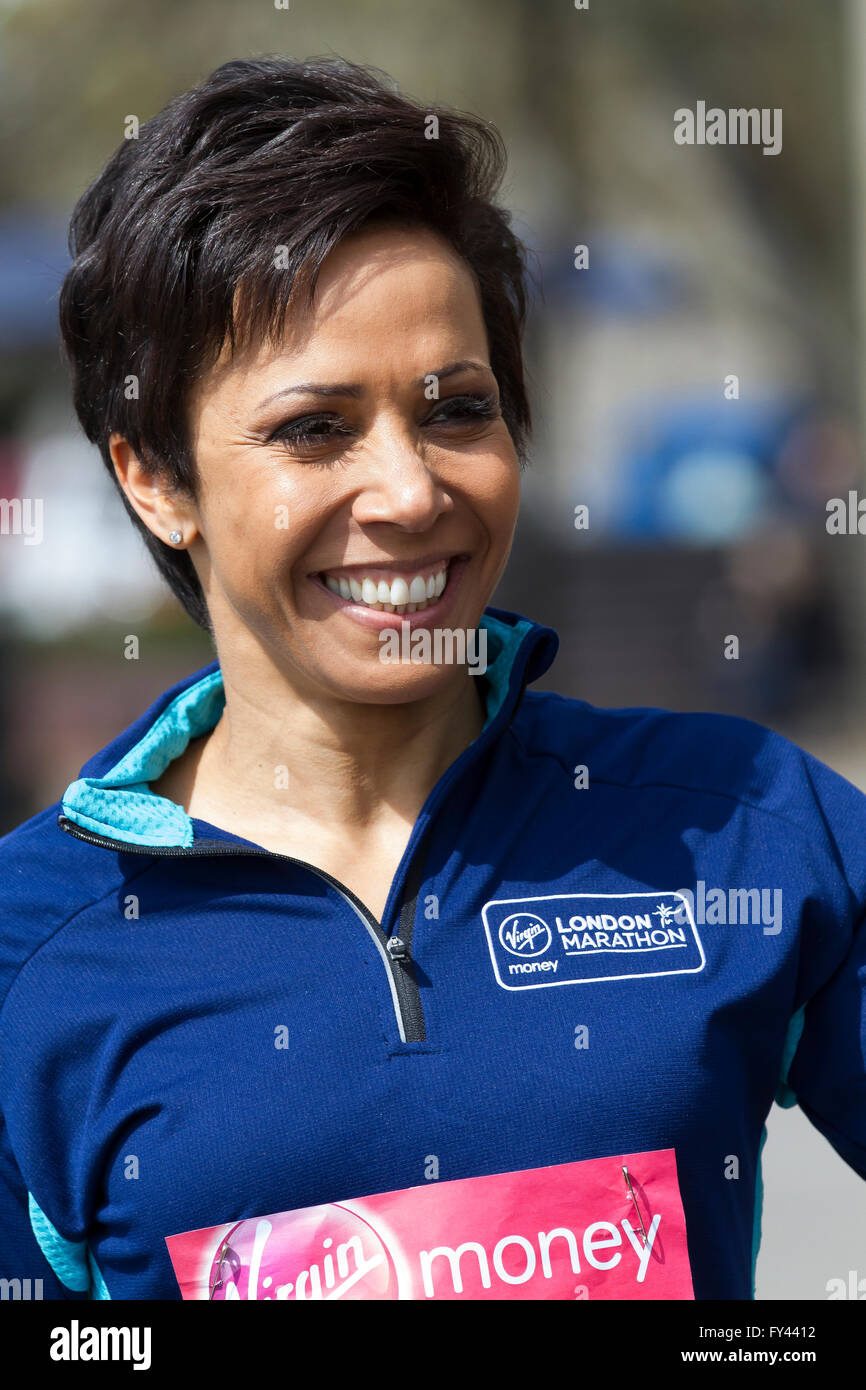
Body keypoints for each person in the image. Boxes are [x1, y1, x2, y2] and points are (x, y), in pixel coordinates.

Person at [0, 54, 864, 1302]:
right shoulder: (35, 948)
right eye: (314, 428)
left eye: (455, 409)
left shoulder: (739, 824)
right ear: (156, 478)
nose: (409, 493)